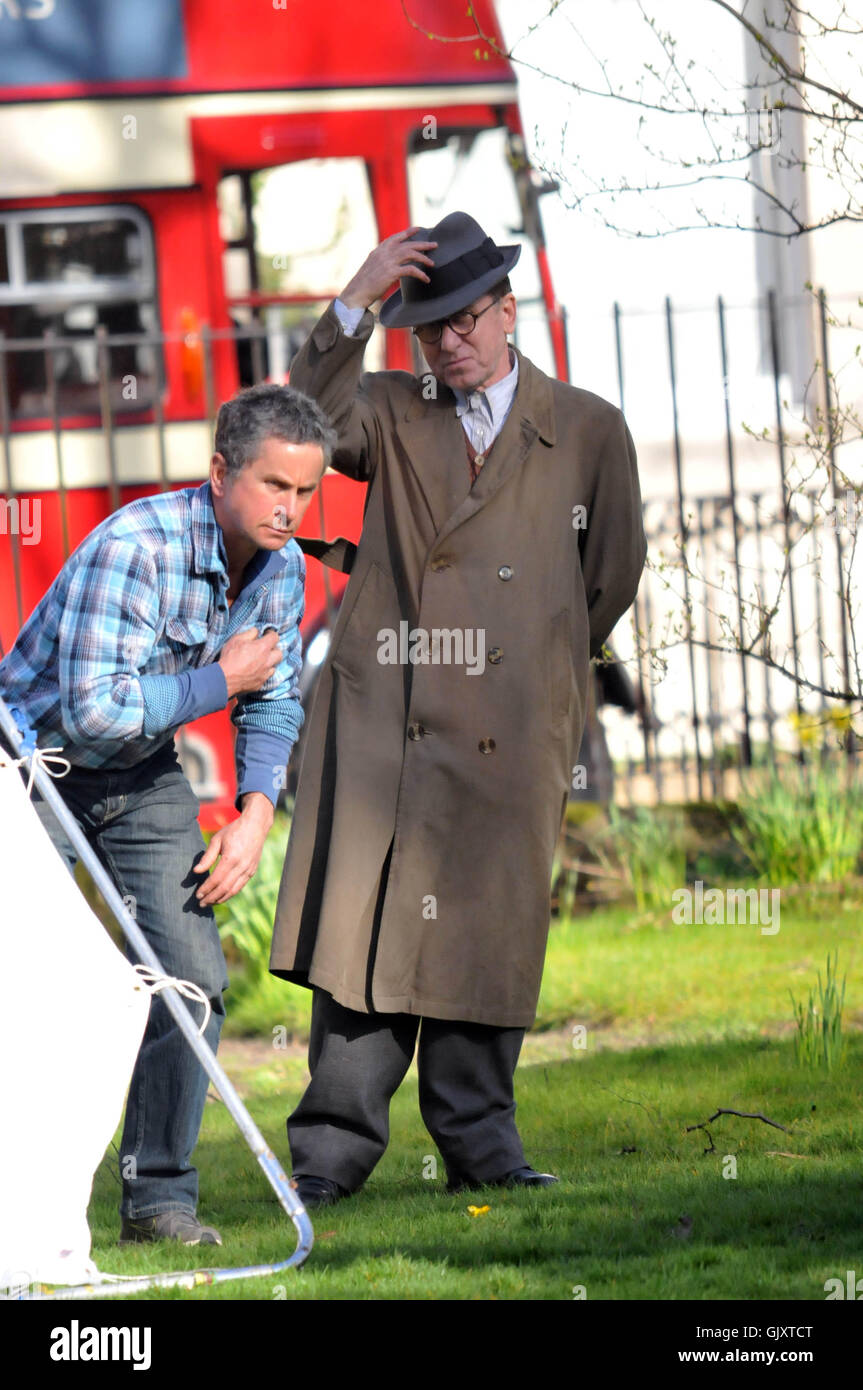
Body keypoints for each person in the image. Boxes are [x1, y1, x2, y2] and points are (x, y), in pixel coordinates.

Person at [269, 212, 647, 1208]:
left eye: (466, 320)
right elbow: (290, 426)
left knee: (484, 930)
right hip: (388, 716)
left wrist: (530, 674)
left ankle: (481, 1146)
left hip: (508, 730)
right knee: (366, 935)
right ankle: (328, 1157)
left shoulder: (589, 430)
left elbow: (605, 578)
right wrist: (355, 297)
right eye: (429, 327)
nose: (449, 341)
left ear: (507, 310)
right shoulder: (391, 410)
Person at [0, 384, 335, 1245]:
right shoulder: (136, 548)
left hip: (138, 775)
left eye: (304, 490)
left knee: (192, 978)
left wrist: (257, 811)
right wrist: (218, 681)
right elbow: (93, 710)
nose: (290, 510)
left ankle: (157, 1201)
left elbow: (278, 699)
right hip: (28, 766)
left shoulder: (283, 569)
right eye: (272, 486)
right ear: (220, 472)